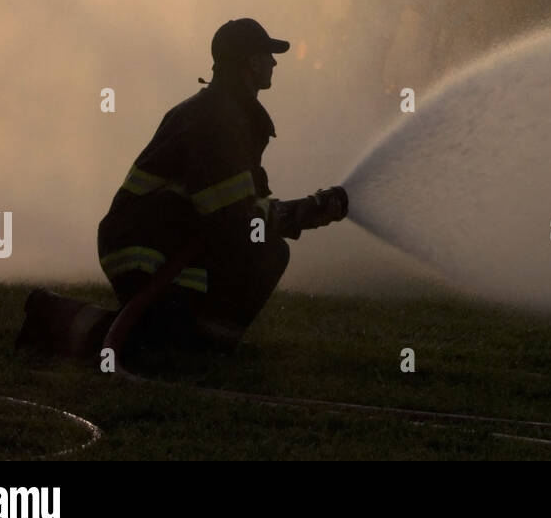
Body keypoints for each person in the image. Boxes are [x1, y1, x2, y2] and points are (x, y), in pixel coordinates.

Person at [19, 18, 348, 359]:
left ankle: (206, 346)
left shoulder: (230, 114)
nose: (274, 62)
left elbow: (241, 210)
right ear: (251, 62)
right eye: (268, 54)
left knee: (264, 252)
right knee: (155, 350)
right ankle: (49, 315)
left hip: (169, 240)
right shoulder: (215, 119)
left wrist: (302, 211)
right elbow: (233, 217)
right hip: (144, 246)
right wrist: (304, 210)